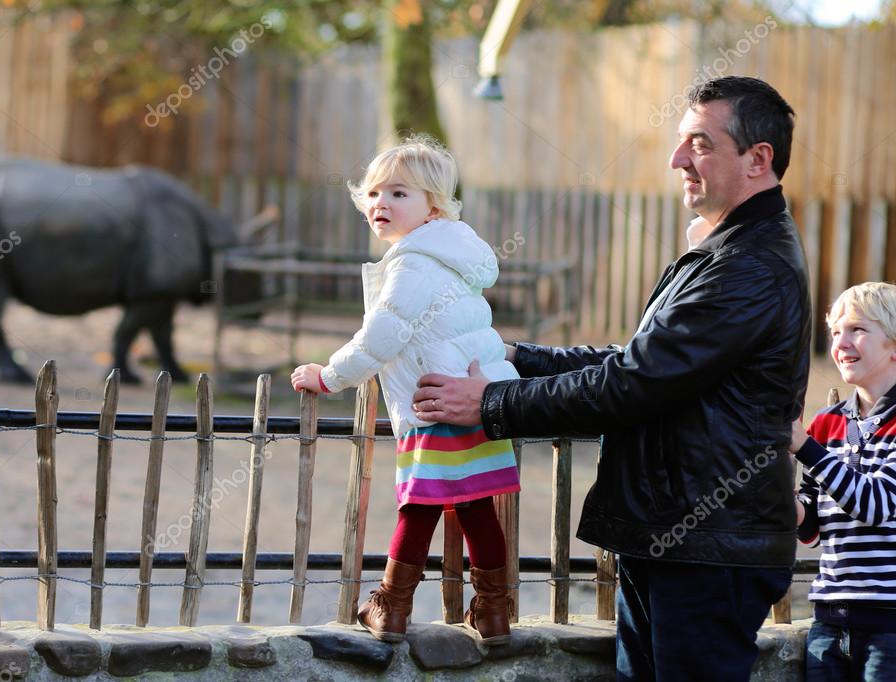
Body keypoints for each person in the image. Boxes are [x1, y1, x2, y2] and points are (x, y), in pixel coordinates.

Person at [411, 76, 809, 680]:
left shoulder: (750, 267)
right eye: (681, 142)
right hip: (677, 541)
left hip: (709, 549)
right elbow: (640, 360)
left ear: (759, 159)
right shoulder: (729, 250)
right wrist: (522, 357)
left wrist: (492, 403)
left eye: (699, 144)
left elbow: (635, 383)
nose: (678, 159)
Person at [289, 135, 521, 645]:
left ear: (432, 205)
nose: (381, 204)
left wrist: (328, 375)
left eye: (398, 194)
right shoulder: (449, 254)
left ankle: (391, 608)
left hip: (434, 401)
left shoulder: (413, 260)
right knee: (477, 508)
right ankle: (493, 614)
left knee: (418, 508)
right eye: (374, 194)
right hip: (476, 398)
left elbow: (383, 334)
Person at [791, 282, 896, 682]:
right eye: (834, 332)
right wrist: (770, 487)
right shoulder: (825, 425)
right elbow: (811, 527)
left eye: (857, 330)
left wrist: (804, 448)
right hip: (827, 621)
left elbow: (876, 504)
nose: (841, 342)